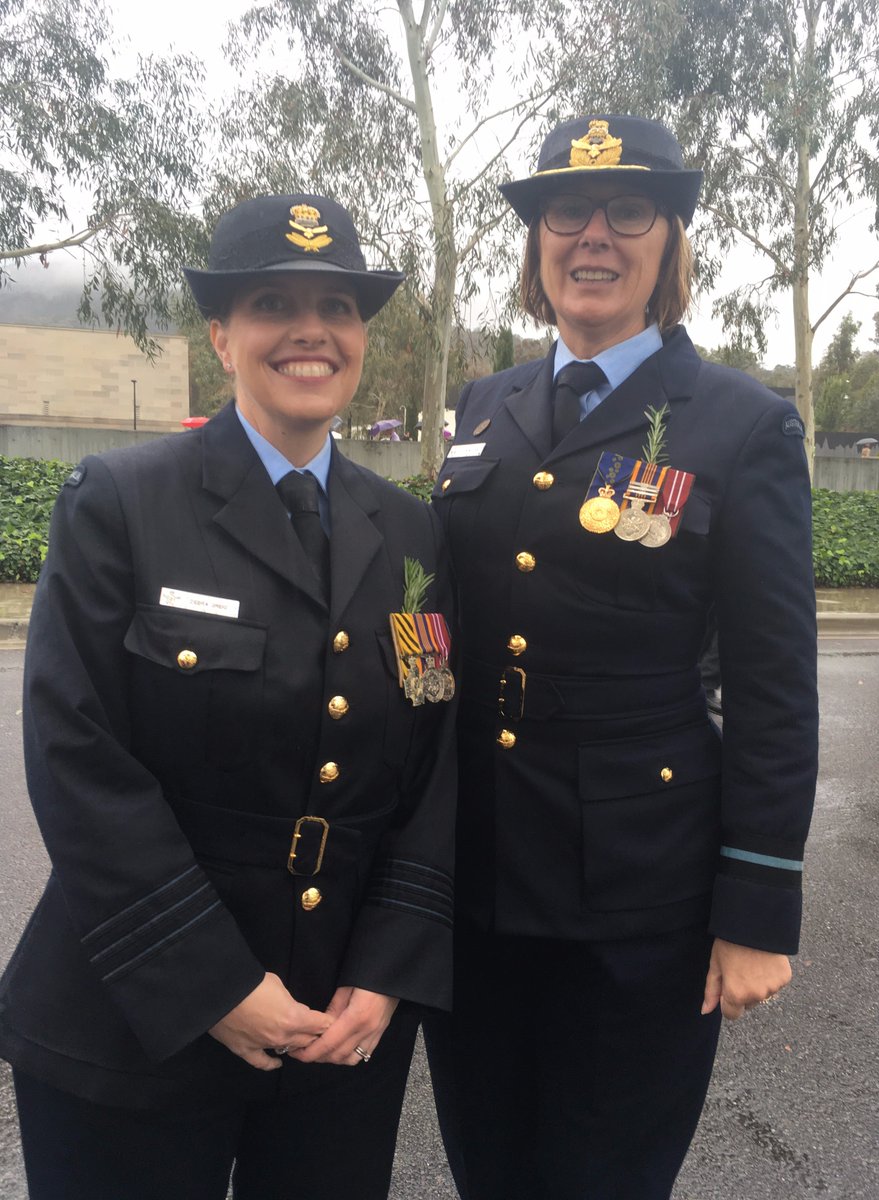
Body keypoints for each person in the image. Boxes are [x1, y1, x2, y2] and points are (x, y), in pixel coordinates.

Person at [0, 192, 457, 1200]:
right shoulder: (121, 503)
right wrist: (213, 983)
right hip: (136, 1019)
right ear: (220, 335)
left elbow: (433, 764)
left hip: (336, 1030)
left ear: (362, 338)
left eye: (337, 308)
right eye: (272, 304)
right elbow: (76, 759)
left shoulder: (410, 532)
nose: (310, 330)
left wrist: (389, 969)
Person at [424, 115, 818, 1199]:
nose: (592, 235)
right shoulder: (486, 404)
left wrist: (757, 906)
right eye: (566, 210)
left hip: (642, 902)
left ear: (670, 242)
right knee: (488, 1169)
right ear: (537, 240)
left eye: (629, 211)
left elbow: (774, 685)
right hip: (476, 886)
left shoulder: (742, 425)